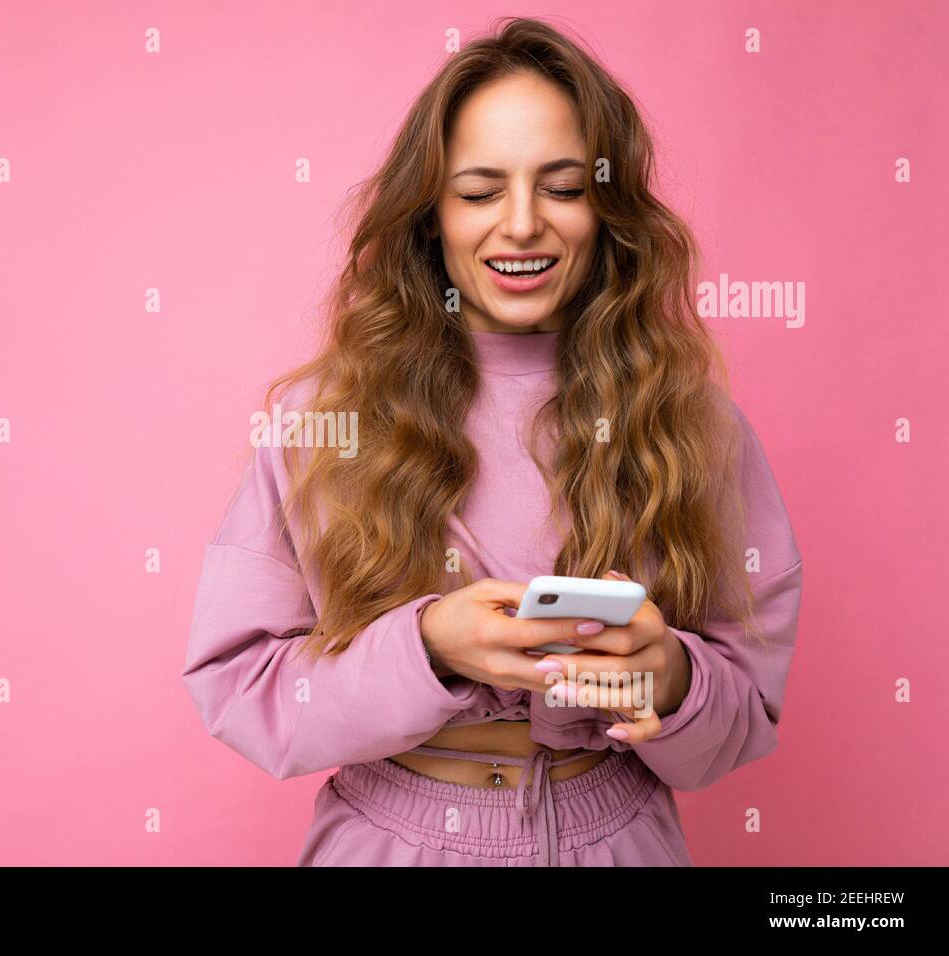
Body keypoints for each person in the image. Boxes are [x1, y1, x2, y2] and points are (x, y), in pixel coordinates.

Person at [182, 16, 803, 866]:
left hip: (619, 837)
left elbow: (743, 719)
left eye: (563, 186)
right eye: (479, 192)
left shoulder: (694, 422)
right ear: (429, 216)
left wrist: (668, 676)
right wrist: (430, 646)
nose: (520, 225)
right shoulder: (319, 418)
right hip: (390, 838)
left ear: (610, 206)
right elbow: (240, 689)